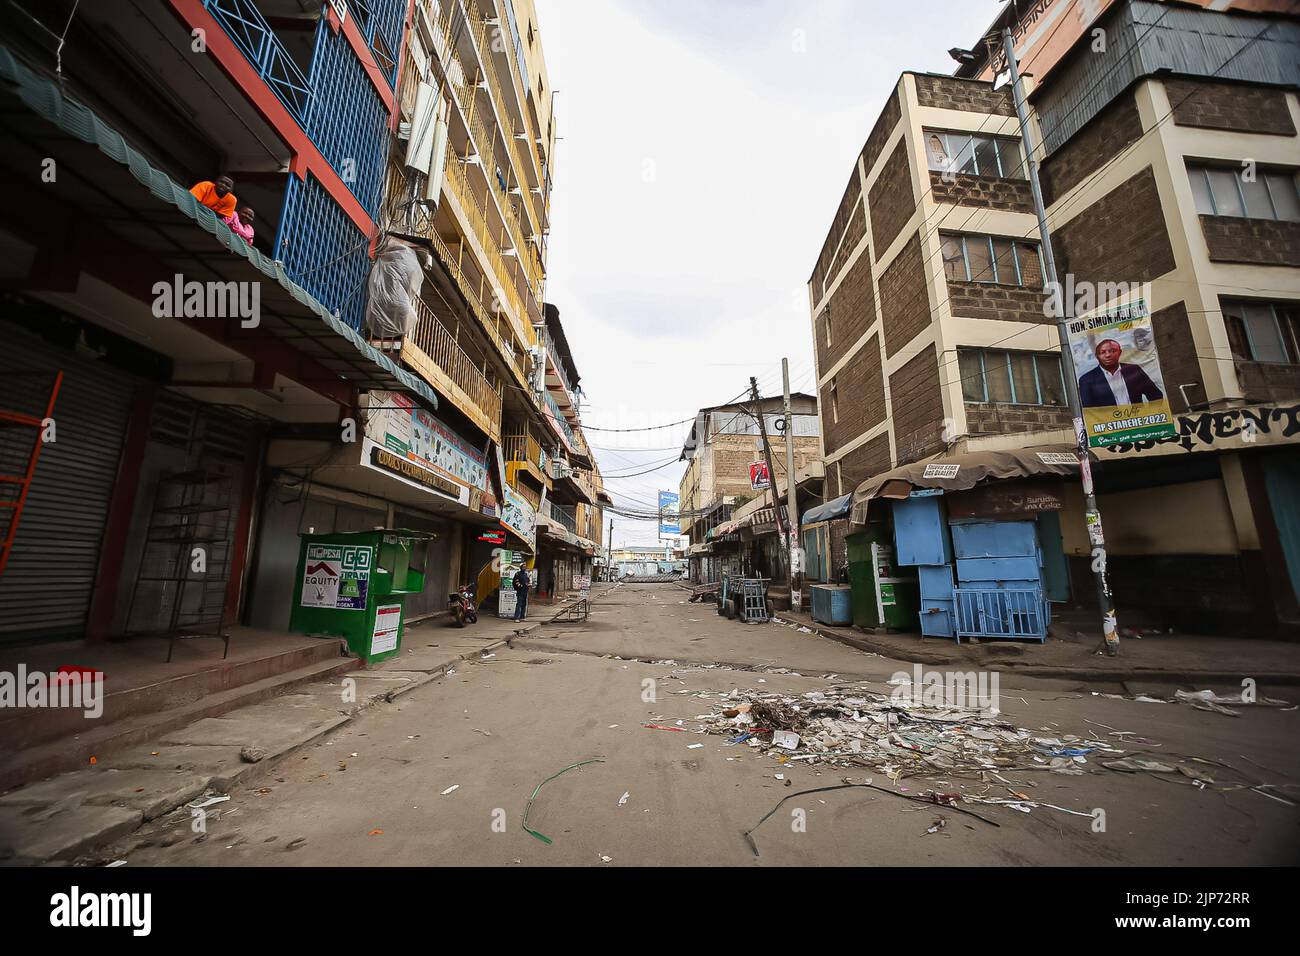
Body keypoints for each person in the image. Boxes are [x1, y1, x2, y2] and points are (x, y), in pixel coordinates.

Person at [1077, 337, 1163, 407]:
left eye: (1112, 351)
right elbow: (1088, 409)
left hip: (1138, 423)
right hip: (1109, 426)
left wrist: (1152, 415)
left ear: (1120, 352)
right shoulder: (1086, 380)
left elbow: (1156, 395)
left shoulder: (1134, 370)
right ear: (1097, 356)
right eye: (1102, 352)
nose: (1108, 355)